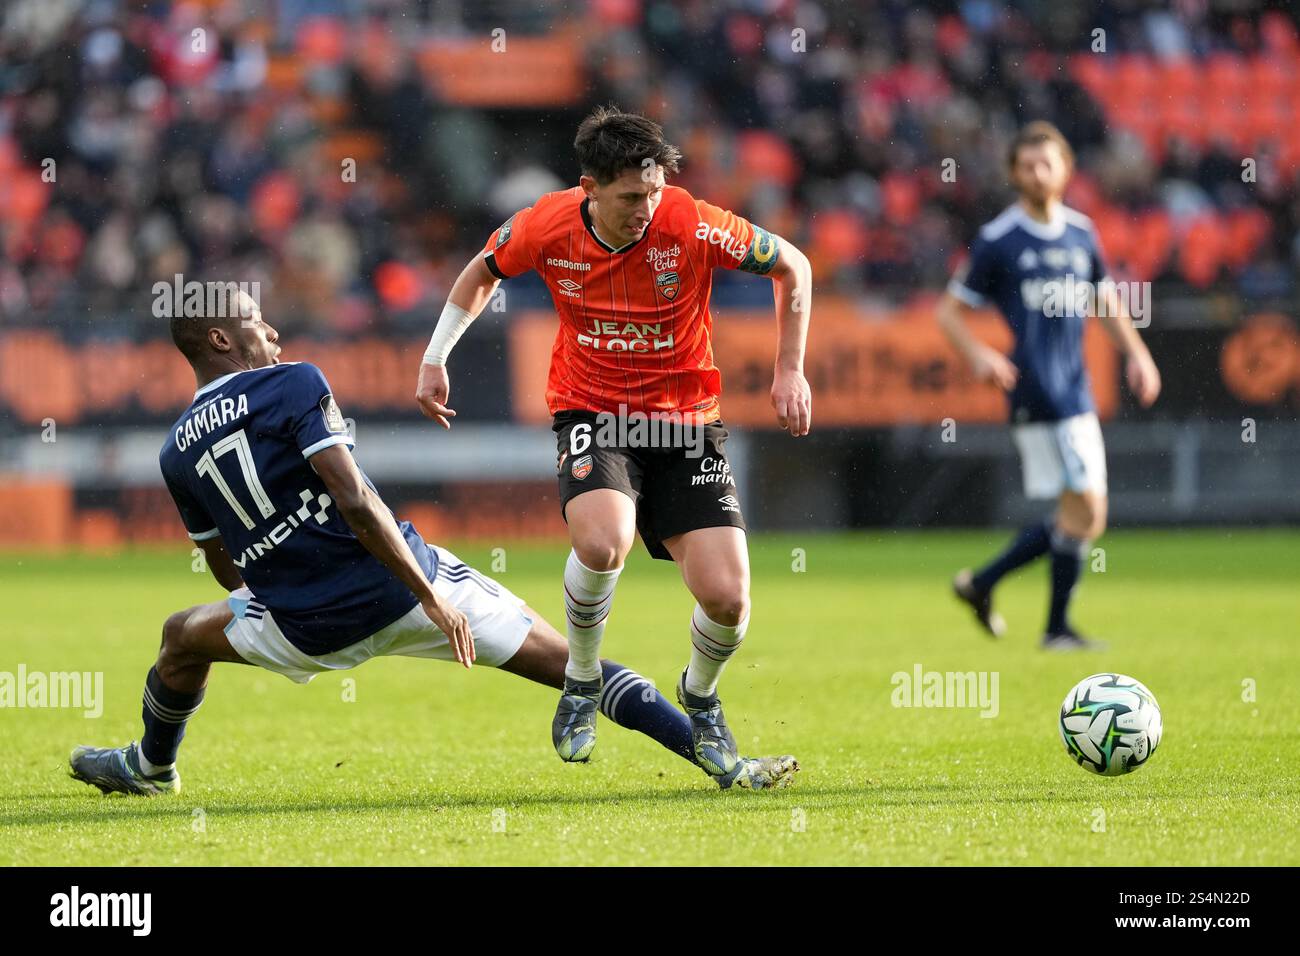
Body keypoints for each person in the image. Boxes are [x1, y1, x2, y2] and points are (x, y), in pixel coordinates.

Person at [68, 293, 797, 795]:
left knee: (180, 637)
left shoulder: (173, 451)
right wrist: (429, 595)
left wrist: (280, 591)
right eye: (258, 323)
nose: (274, 335)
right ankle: (722, 762)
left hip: (301, 628)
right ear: (222, 339)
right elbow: (355, 500)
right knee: (577, 669)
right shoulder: (292, 383)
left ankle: (150, 766)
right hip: (410, 592)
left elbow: (226, 565)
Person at [415, 106, 813, 780]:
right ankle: (579, 679)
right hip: (592, 412)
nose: (647, 208)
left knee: (728, 599)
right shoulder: (546, 223)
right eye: (632, 197)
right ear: (590, 188)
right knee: (603, 543)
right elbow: (480, 273)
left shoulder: (689, 221)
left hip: (686, 423)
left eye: (654, 192)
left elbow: (794, 267)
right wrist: (434, 358)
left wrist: (790, 368)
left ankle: (701, 695)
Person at [937, 122, 1161, 650]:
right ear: (1014, 173)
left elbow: (1105, 301)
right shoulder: (999, 239)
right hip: (1036, 389)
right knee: (1084, 511)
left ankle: (987, 587)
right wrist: (979, 354)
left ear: (1066, 169)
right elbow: (947, 312)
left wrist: (1138, 354)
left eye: (1048, 163)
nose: (1039, 173)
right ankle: (1051, 625)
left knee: (1082, 514)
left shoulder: (1082, 232)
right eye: (1028, 165)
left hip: (1076, 387)